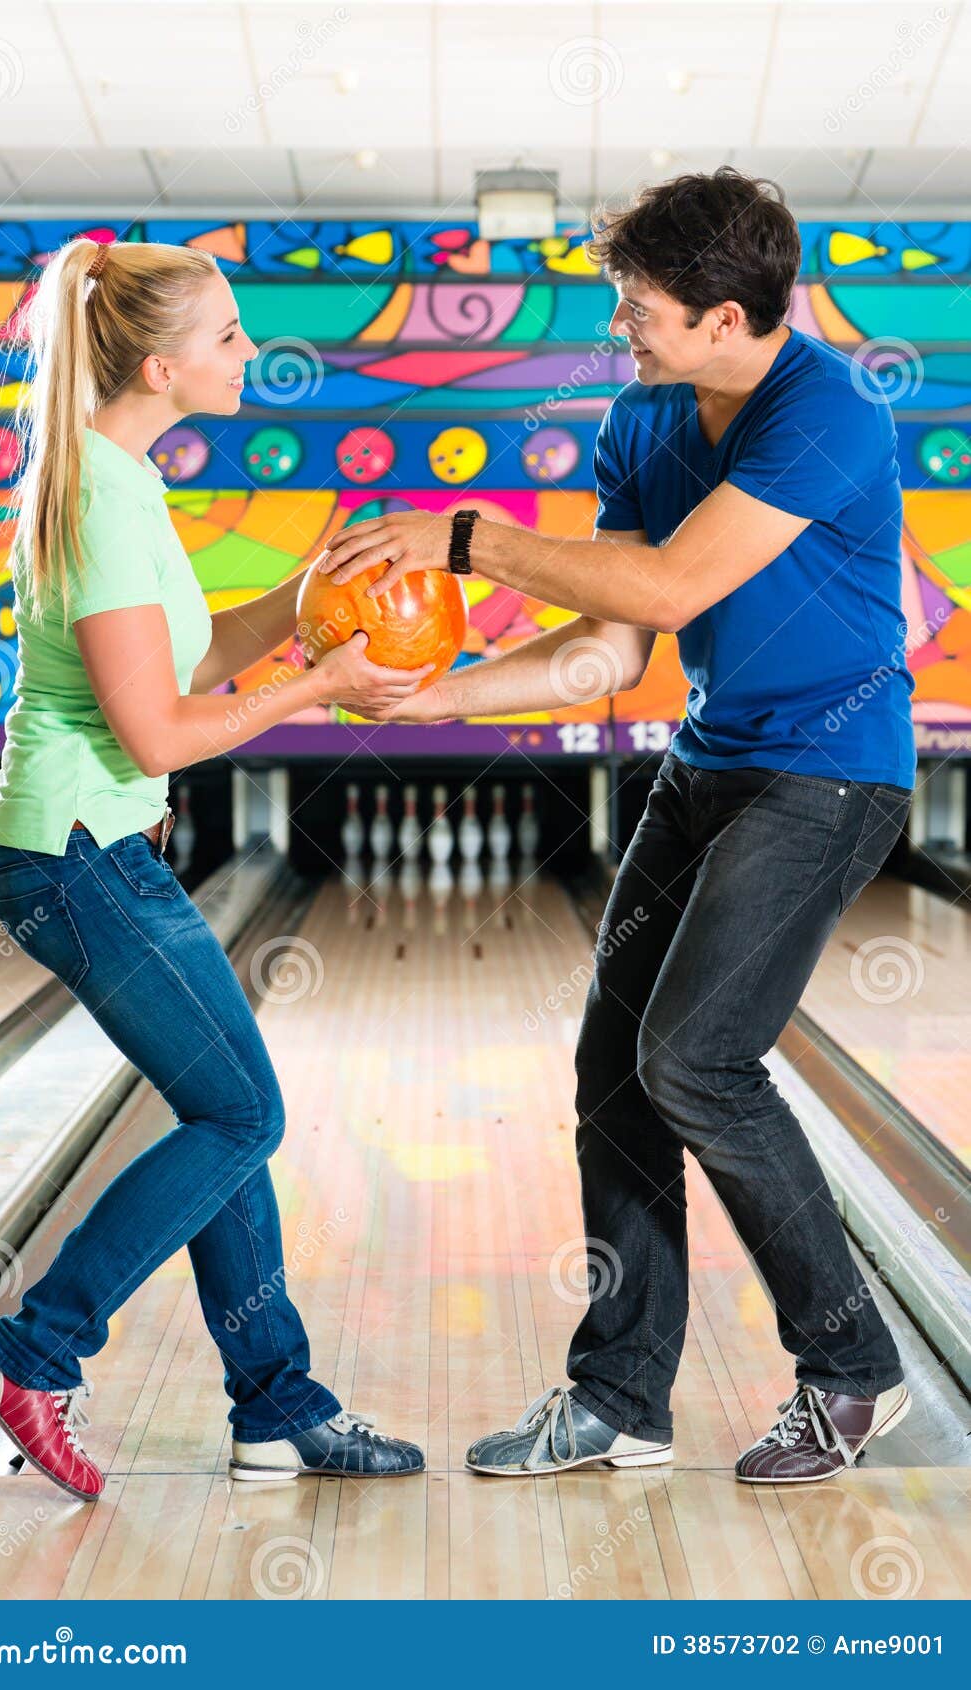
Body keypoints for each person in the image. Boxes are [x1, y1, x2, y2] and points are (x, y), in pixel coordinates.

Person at [321, 167, 916, 1485]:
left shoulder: (828, 412)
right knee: (614, 1071)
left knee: (697, 1058)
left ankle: (851, 1367)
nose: (621, 325)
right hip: (706, 763)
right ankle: (619, 1397)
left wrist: (464, 538)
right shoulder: (643, 421)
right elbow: (606, 654)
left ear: (725, 317)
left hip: (829, 773)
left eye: (640, 305)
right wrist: (435, 703)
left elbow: (677, 576)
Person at [0, 237, 432, 1500]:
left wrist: (303, 599)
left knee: (229, 1121)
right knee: (242, 1114)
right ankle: (43, 1348)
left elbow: (192, 656)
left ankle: (276, 1410)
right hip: (77, 859)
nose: (244, 352)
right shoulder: (104, 500)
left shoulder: (115, 478)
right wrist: (323, 683)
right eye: (225, 335)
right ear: (161, 363)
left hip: (96, 853)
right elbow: (158, 731)